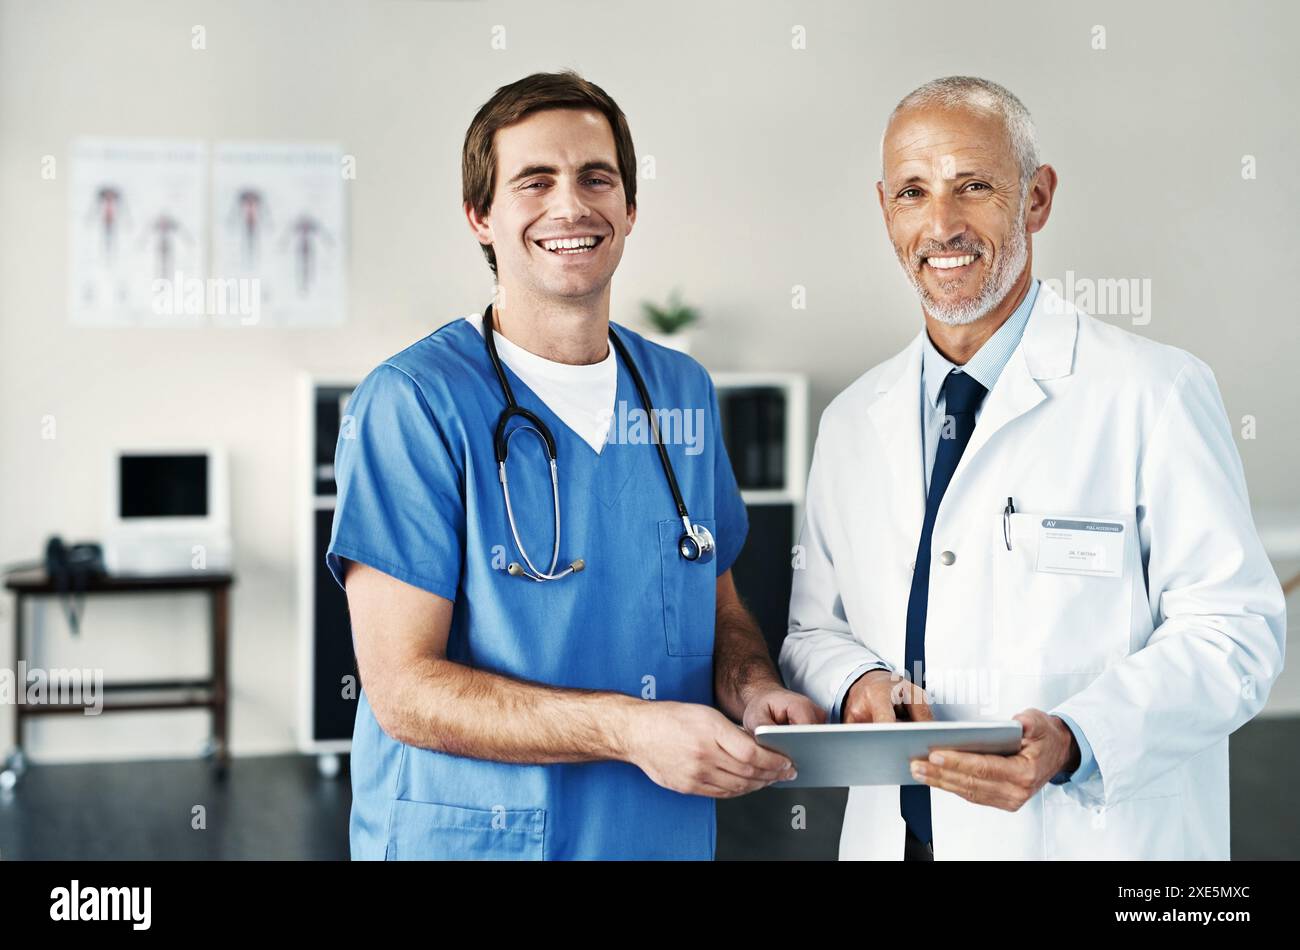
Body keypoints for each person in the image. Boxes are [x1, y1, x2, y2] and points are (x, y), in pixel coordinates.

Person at [780, 76, 1286, 860]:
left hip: (1085, 836)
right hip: (899, 839)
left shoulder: (1154, 391)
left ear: (1037, 199)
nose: (941, 225)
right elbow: (816, 629)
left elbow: (1235, 632)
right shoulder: (852, 420)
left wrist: (1077, 737)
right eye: (913, 193)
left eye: (973, 186)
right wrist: (856, 683)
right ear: (886, 212)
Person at [327, 70, 821, 860]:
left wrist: (752, 685)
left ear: (630, 208)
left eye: (597, 177)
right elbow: (404, 691)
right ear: (480, 217)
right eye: (534, 181)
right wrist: (630, 729)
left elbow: (717, 605)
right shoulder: (413, 401)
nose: (571, 206)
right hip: (480, 840)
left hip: (656, 831)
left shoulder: (678, 391)